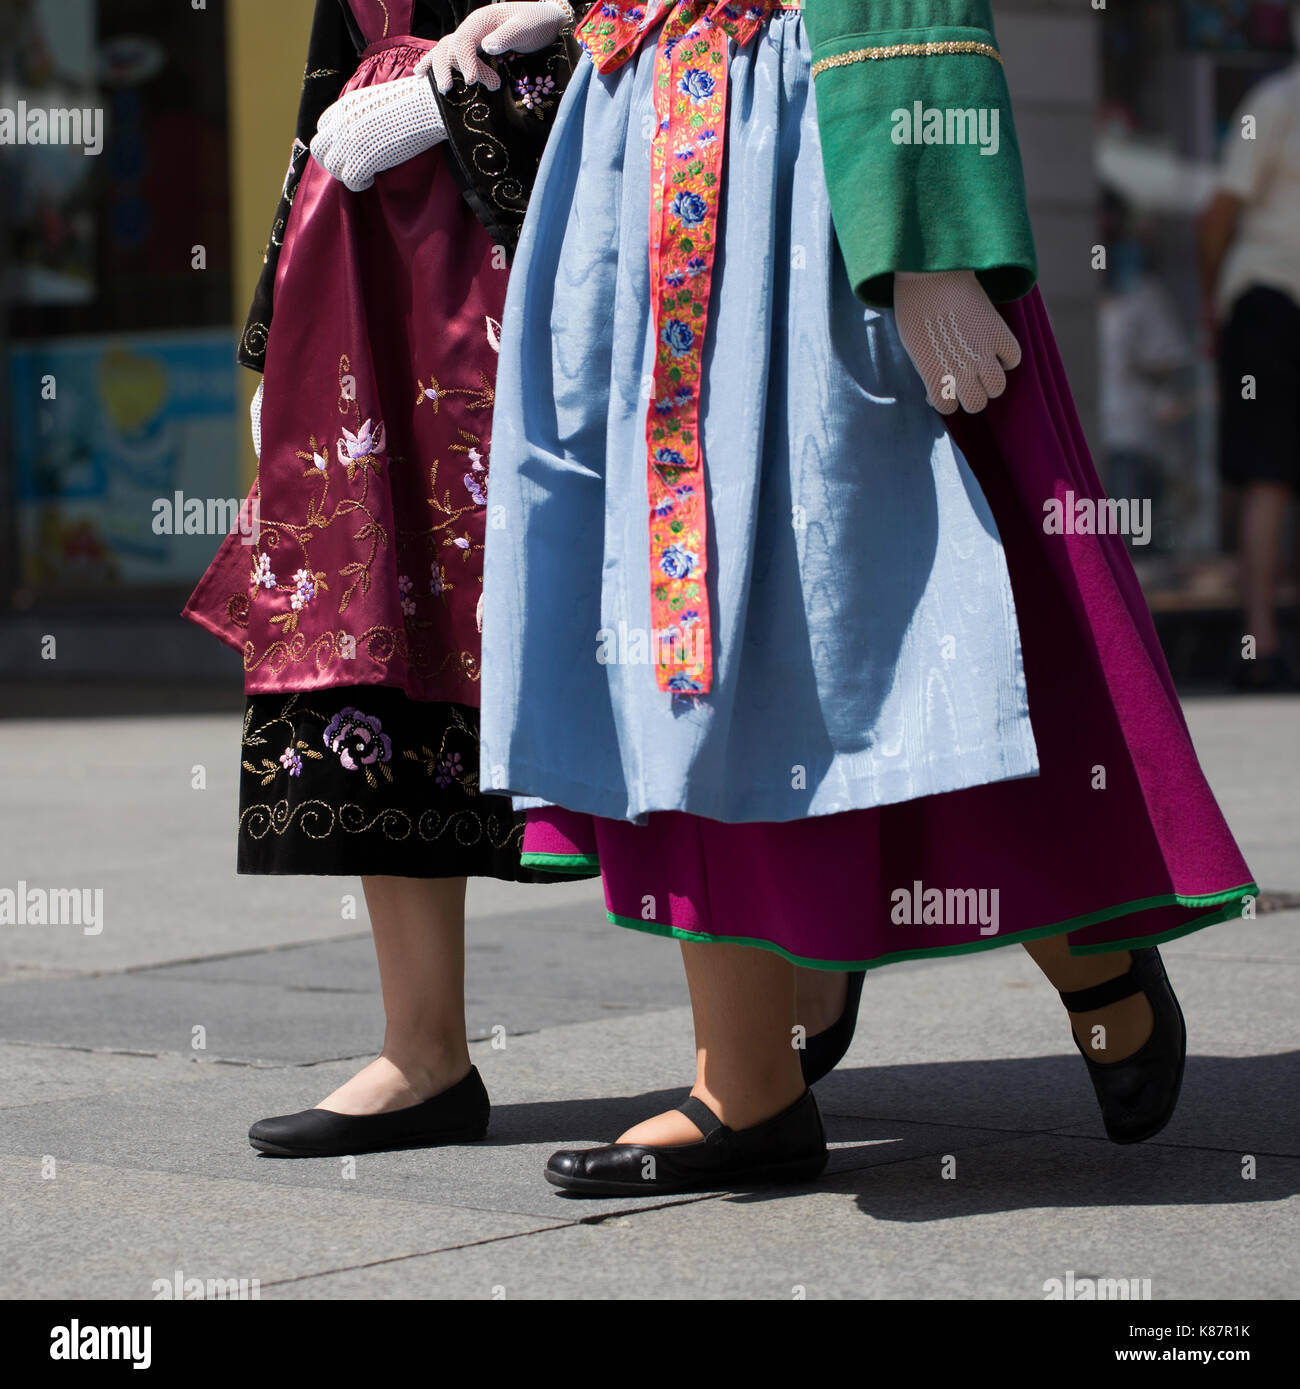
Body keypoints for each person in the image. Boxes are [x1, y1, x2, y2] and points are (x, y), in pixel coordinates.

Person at [452, 0, 1256, 1195]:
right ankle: (748, 1081)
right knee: (688, 618)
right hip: (652, 130)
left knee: (907, 608)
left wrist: (930, 236)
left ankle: (1087, 948)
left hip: (809, 156)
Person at [181, 0, 598, 1158]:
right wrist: (276, 330)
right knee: (366, 637)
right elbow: (329, 93)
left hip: (546, 266)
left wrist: (447, 102)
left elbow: (666, 31)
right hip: (362, 297)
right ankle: (422, 1054)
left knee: (641, 630)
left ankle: (778, 1009)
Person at [1199, 0, 1300, 691]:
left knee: (1266, 477)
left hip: (1265, 300)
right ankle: (1261, 641)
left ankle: (1259, 641)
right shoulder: (1276, 99)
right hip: (1271, 303)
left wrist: (1213, 301)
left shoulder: (1276, 97)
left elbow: (1222, 212)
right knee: (1270, 476)